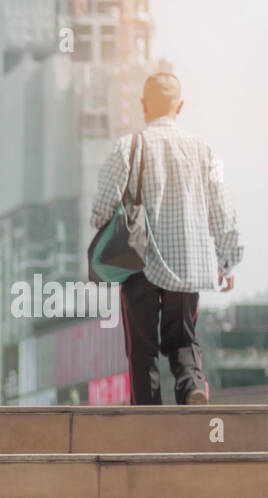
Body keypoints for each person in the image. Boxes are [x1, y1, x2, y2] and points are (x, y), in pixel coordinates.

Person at [90, 72, 243, 405]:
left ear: (144, 106)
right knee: (184, 340)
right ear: (181, 106)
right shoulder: (204, 151)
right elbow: (223, 210)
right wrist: (226, 262)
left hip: (138, 264)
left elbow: (101, 209)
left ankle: (148, 419)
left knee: (142, 348)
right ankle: (193, 388)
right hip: (188, 265)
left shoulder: (128, 147)